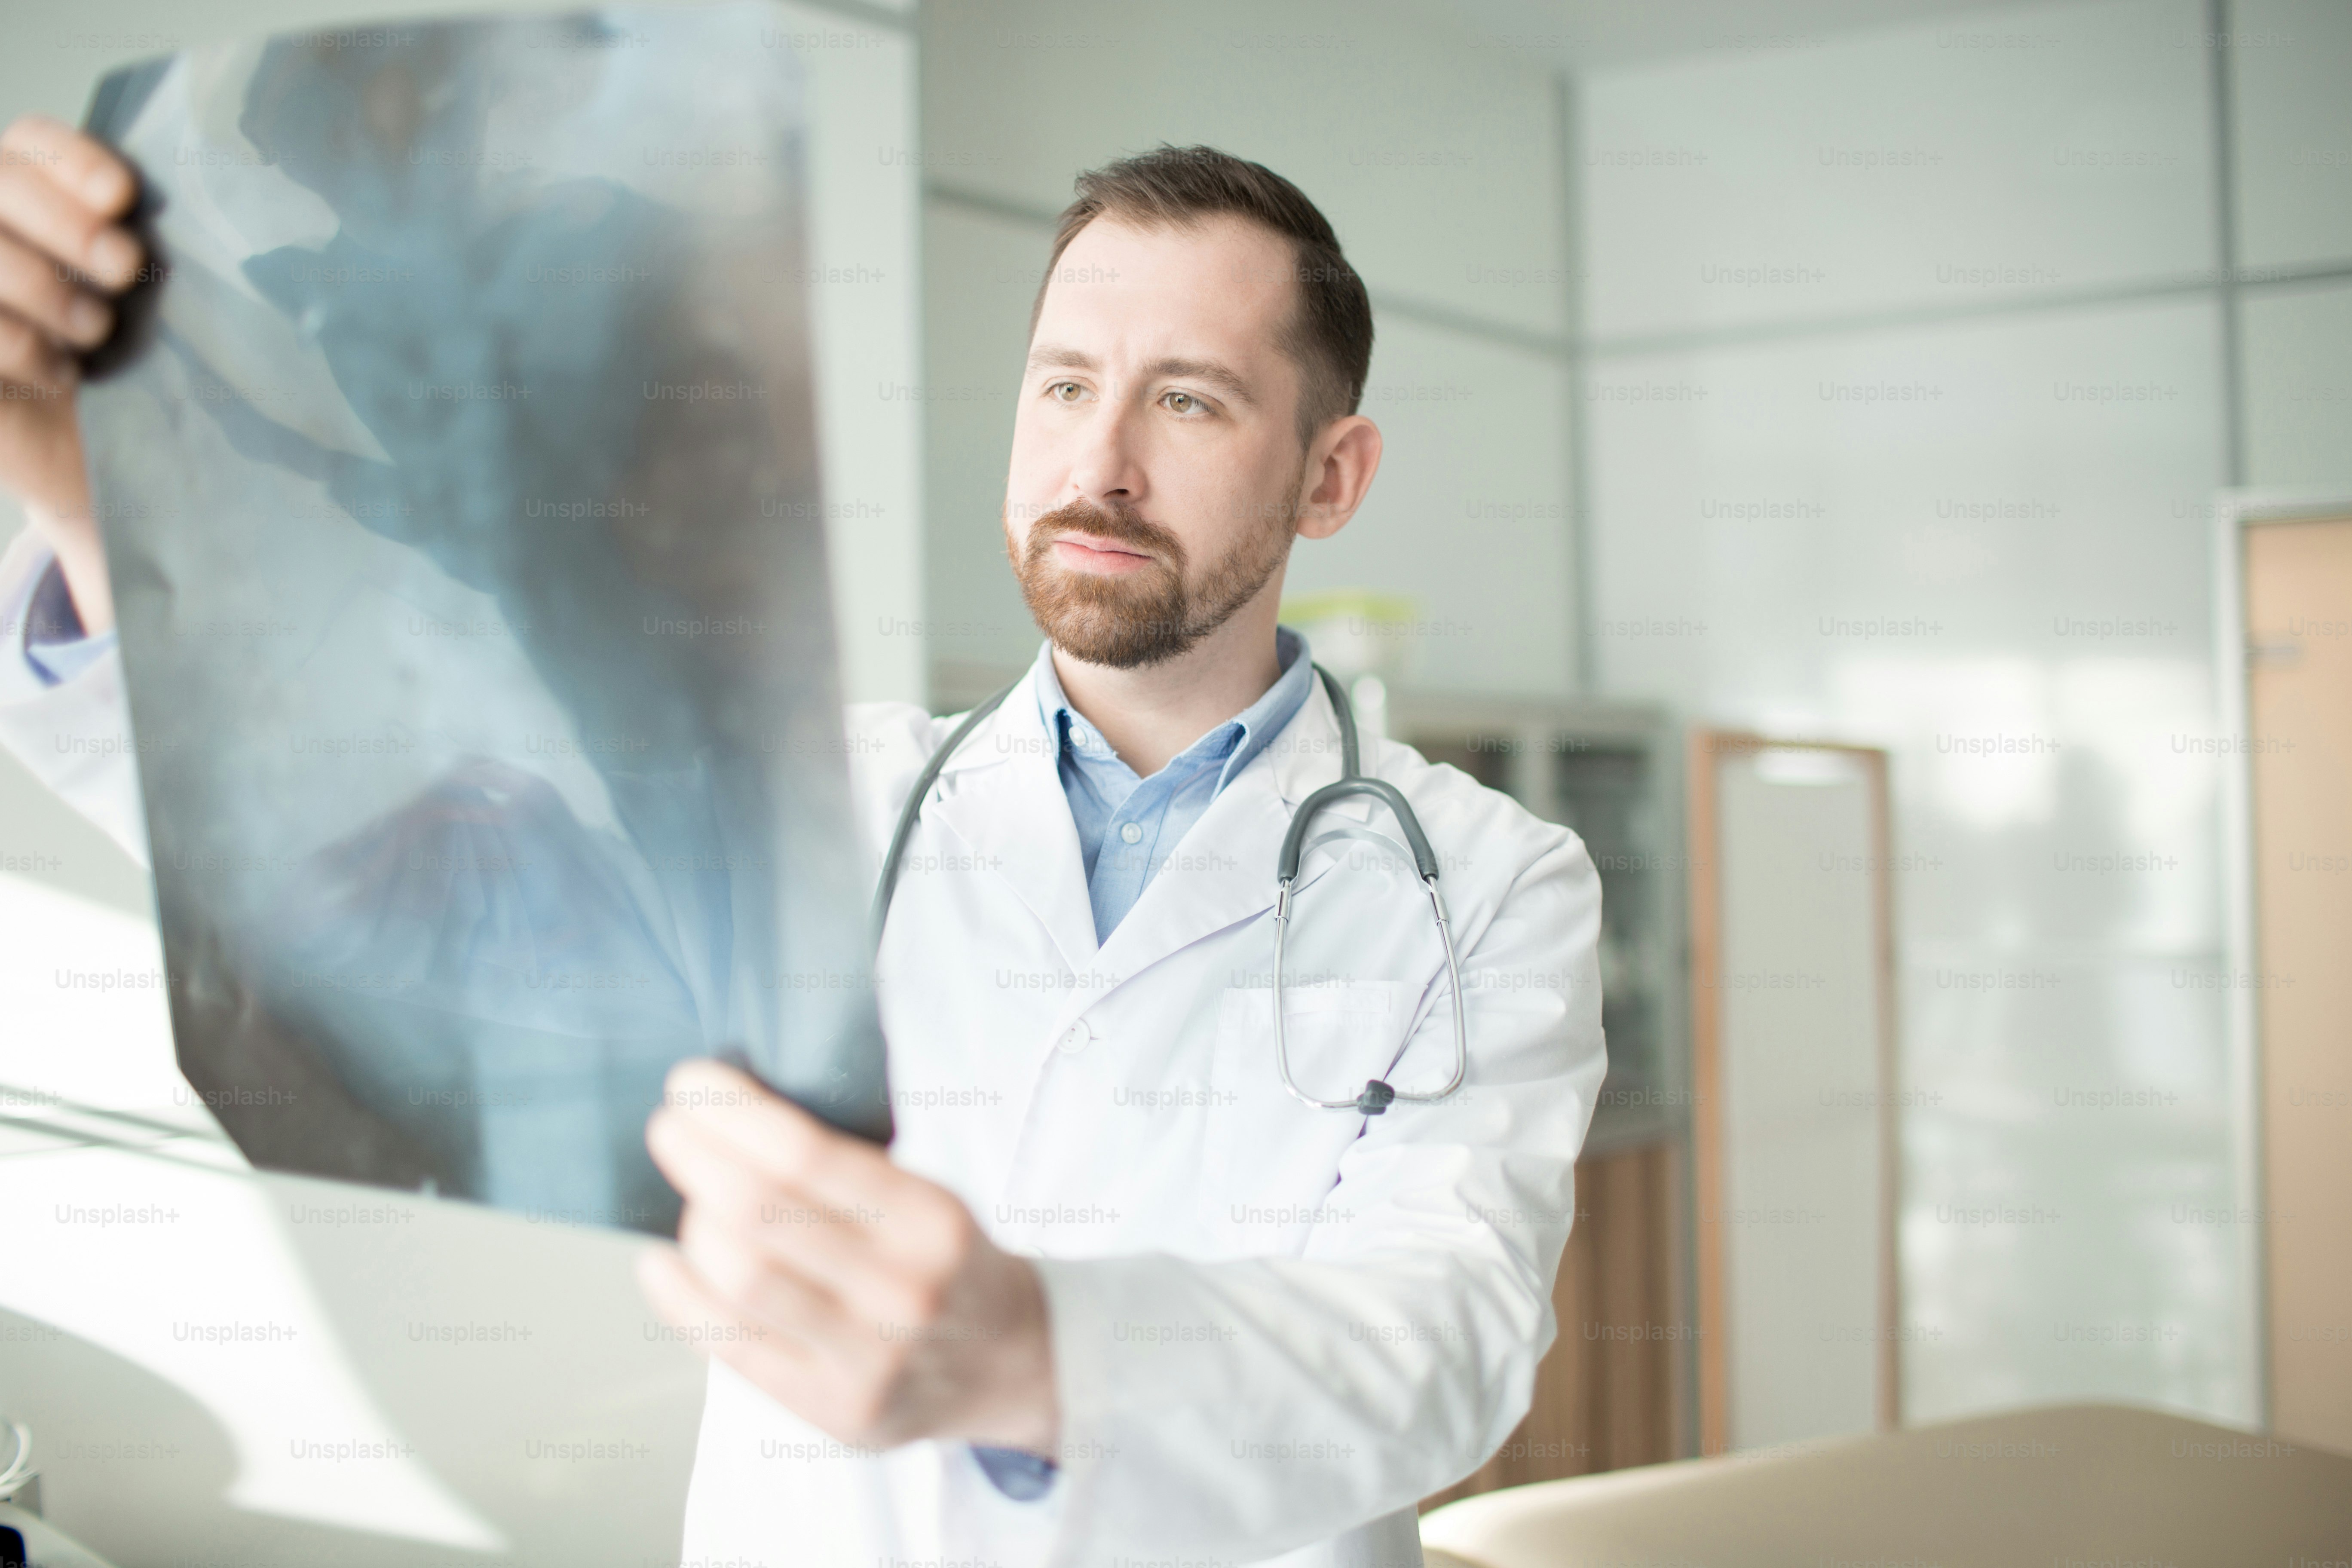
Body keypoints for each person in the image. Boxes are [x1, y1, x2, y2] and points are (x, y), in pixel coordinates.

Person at [0, 115, 1605, 1567]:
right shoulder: (811, 798)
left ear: (1332, 476)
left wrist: (1039, 1359)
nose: (1097, 461)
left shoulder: (1488, 886)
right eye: (1063, 385)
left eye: (1188, 401)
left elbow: (1444, 1337)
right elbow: (399, 861)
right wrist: (99, 504)